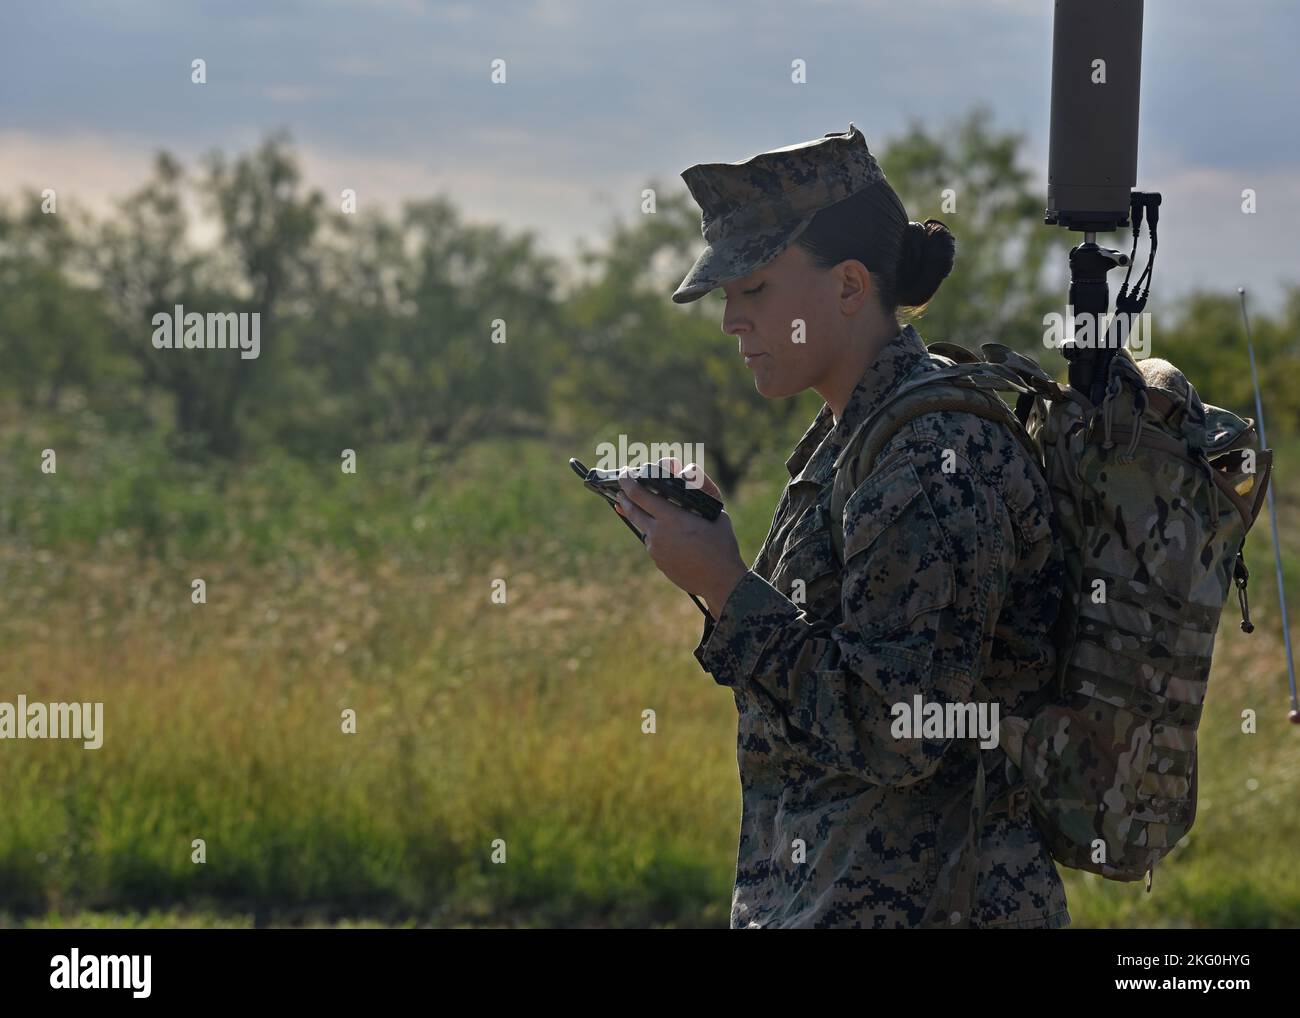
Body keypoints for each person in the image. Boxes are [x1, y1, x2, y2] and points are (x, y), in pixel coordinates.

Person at [614, 123, 1071, 929]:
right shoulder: (857, 438)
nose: (731, 321)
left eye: (754, 289)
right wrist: (716, 566)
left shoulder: (930, 461)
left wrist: (725, 587)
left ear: (850, 286)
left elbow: (901, 731)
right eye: (728, 295)